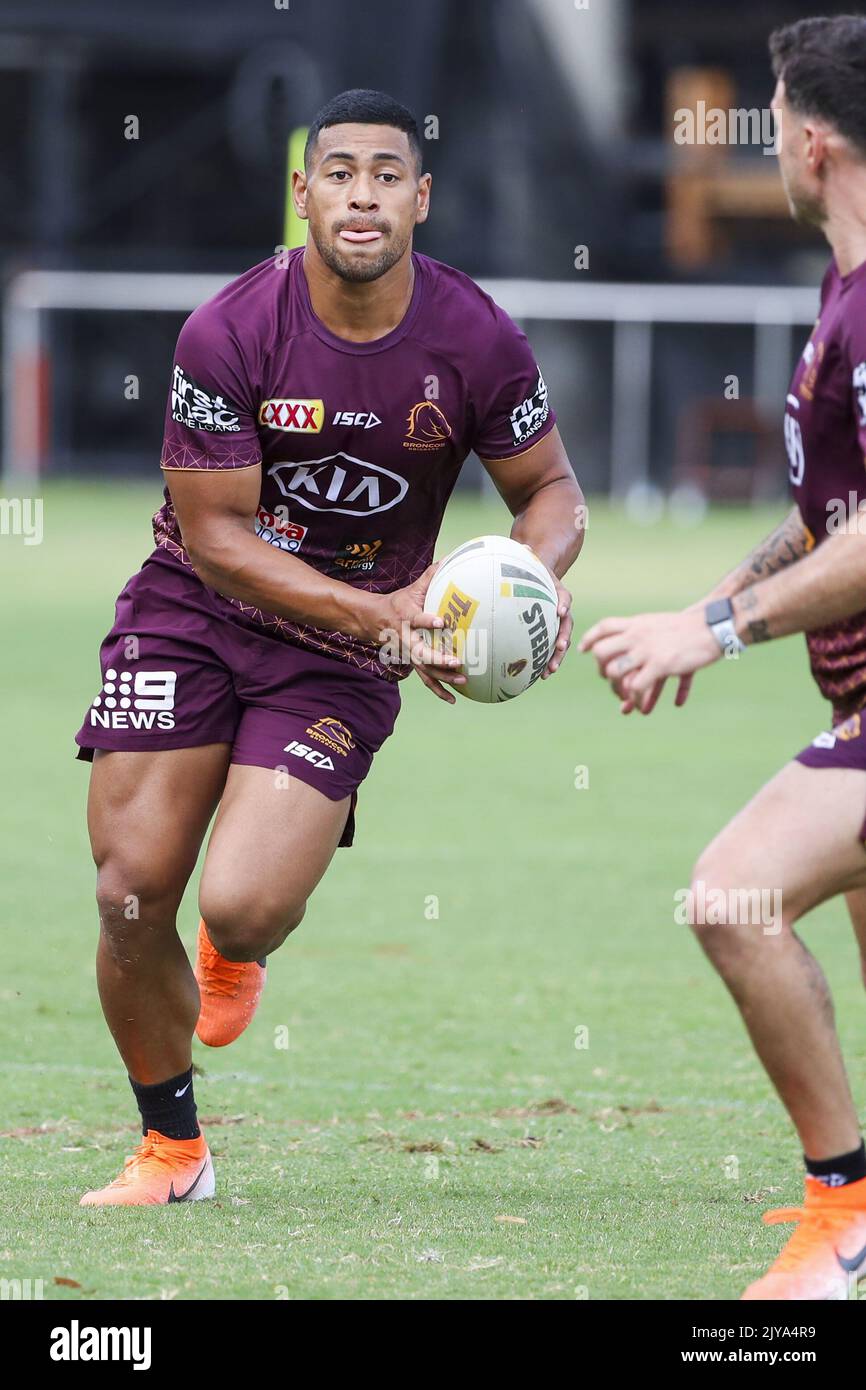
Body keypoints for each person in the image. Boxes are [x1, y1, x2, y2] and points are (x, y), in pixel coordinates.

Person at [74, 88, 584, 1206]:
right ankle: (173, 1151)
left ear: (421, 197)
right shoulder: (228, 329)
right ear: (302, 191)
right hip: (195, 612)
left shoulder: (474, 335)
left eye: (386, 174)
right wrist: (391, 617)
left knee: (243, 904)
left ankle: (235, 947)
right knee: (128, 893)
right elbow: (214, 538)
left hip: (338, 656)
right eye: (339, 171)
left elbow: (549, 492)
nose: (362, 194)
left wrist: (525, 593)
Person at [581, 17, 866, 1300]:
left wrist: (710, 630)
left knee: (731, 898)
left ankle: (842, 1215)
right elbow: (824, 522)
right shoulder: (838, 293)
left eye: (763, 114)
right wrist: (716, 598)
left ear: (808, 141)